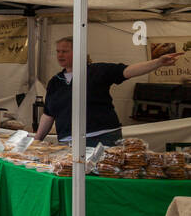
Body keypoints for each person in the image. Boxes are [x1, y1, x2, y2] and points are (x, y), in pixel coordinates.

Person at [34, 36, 181, 146]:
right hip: (68, 142)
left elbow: (128, 71)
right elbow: (48, 114)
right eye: (58, 51)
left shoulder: (98, 71)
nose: (60, 55)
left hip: (103, 137)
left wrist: (158, 62)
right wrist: (36, 140)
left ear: (79, 51)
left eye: (65, 51)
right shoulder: (55, 81)